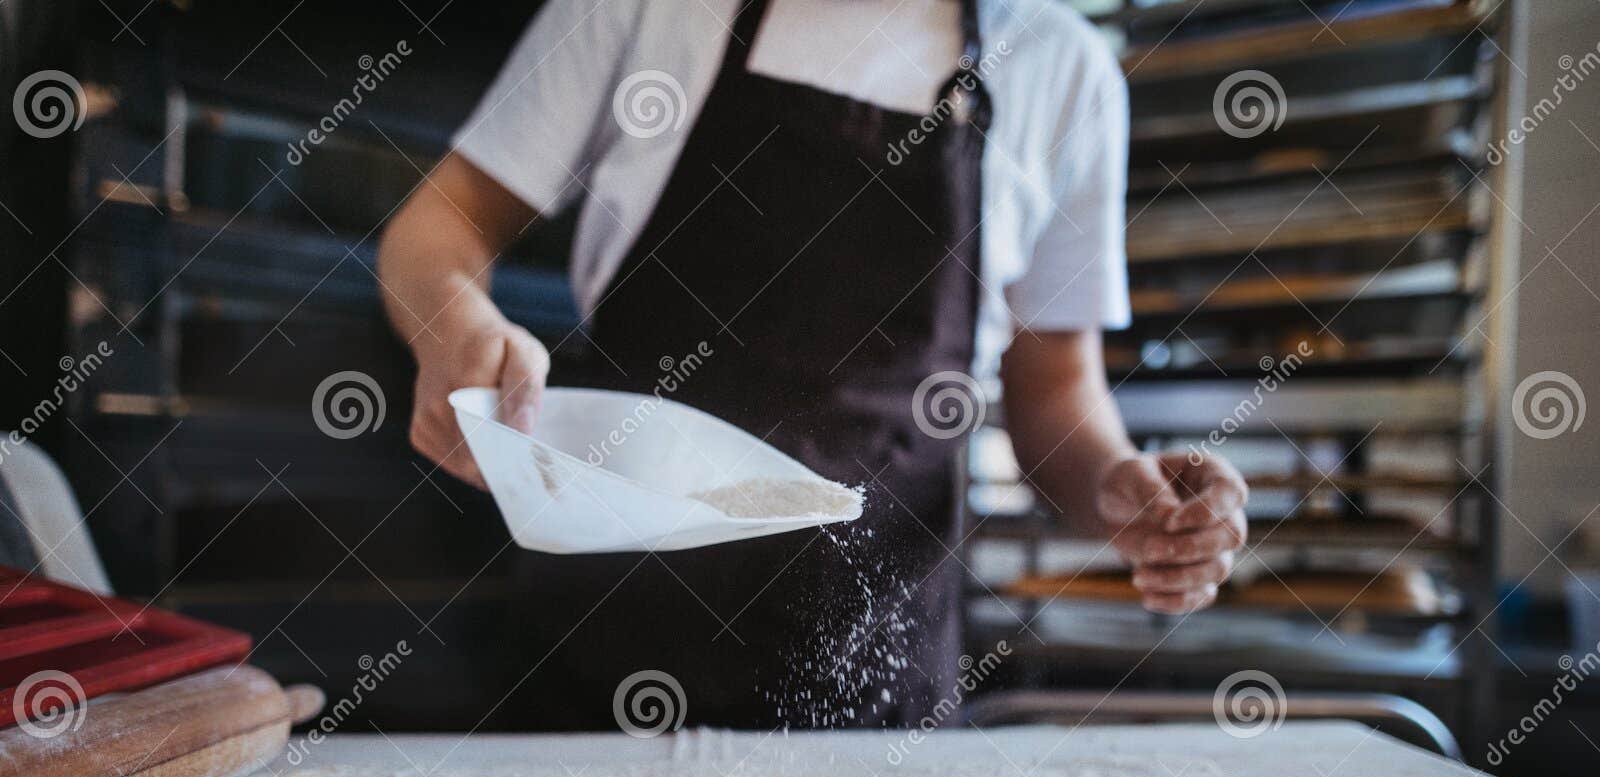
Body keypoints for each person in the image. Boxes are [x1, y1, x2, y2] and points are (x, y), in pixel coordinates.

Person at [377, 0, 1247, 730]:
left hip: (877, 689)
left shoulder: (1063, 65)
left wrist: (1117, 487)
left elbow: (1056, 394)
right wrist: (452, 327)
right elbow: (445, 221)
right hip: (605, 657)